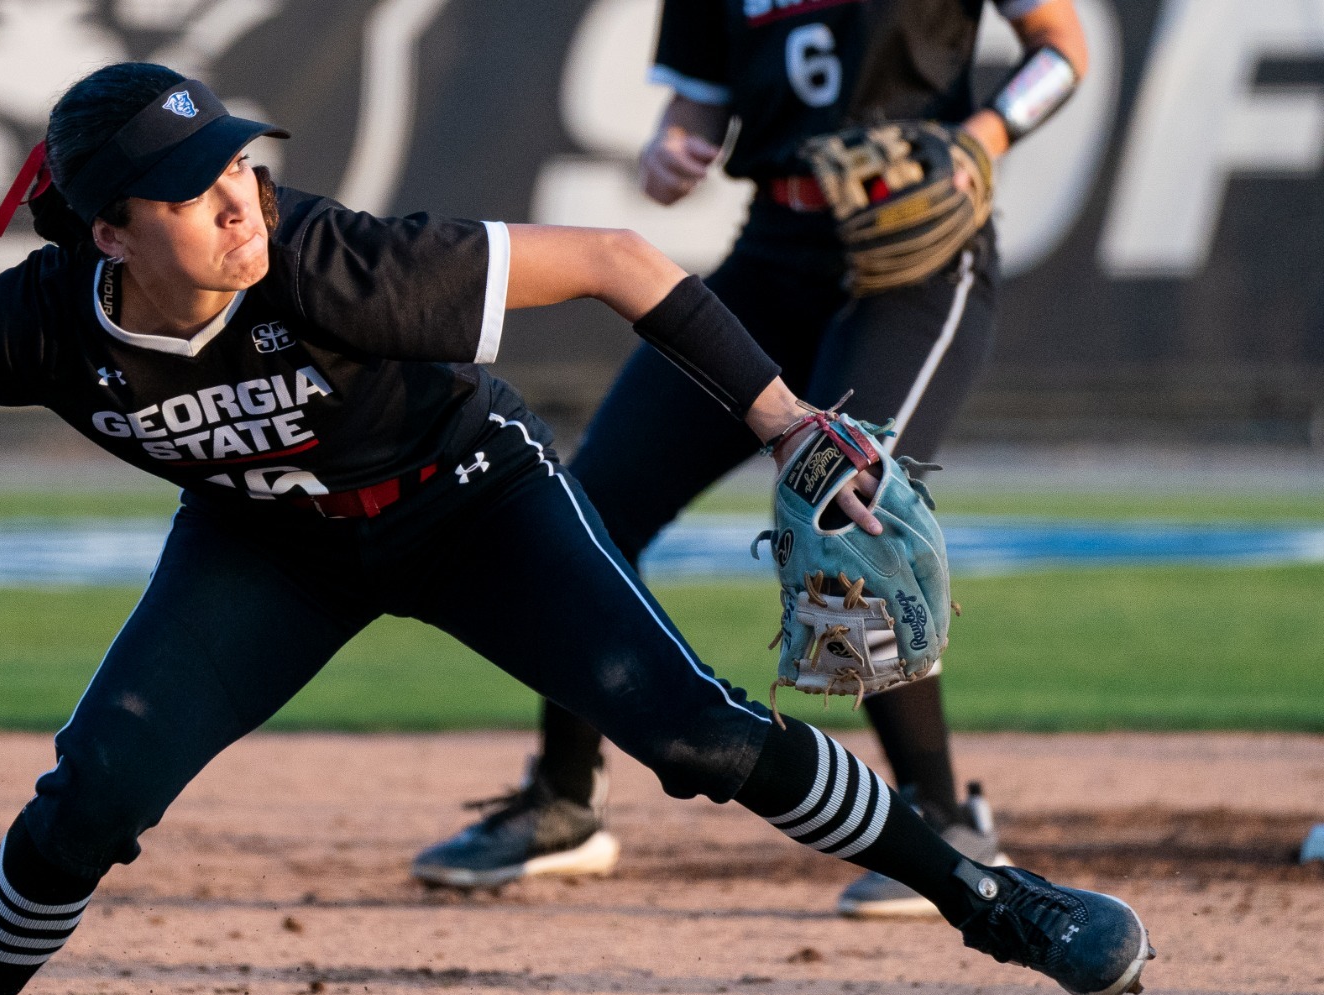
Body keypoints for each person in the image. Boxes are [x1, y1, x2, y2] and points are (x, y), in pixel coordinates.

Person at [0, 63, 1146, 995]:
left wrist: (786, 420)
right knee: (97, 788)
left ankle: (990, 898)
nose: (239, 196)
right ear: (110, 232)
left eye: (236, 162)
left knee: (703, 735)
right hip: (270, 546)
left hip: (471, 501)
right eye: (192, 188)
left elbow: (617, 262)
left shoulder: (337, 264)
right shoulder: (41, 319)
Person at [413, 0, 1091, 919]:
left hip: (914, 260)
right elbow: (694, 113)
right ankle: (566, 800)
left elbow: (1063, 46)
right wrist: (670, 149)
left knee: (856, 499)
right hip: (775, 251)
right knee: (581, 508)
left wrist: (982, 137)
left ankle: (944, 813)